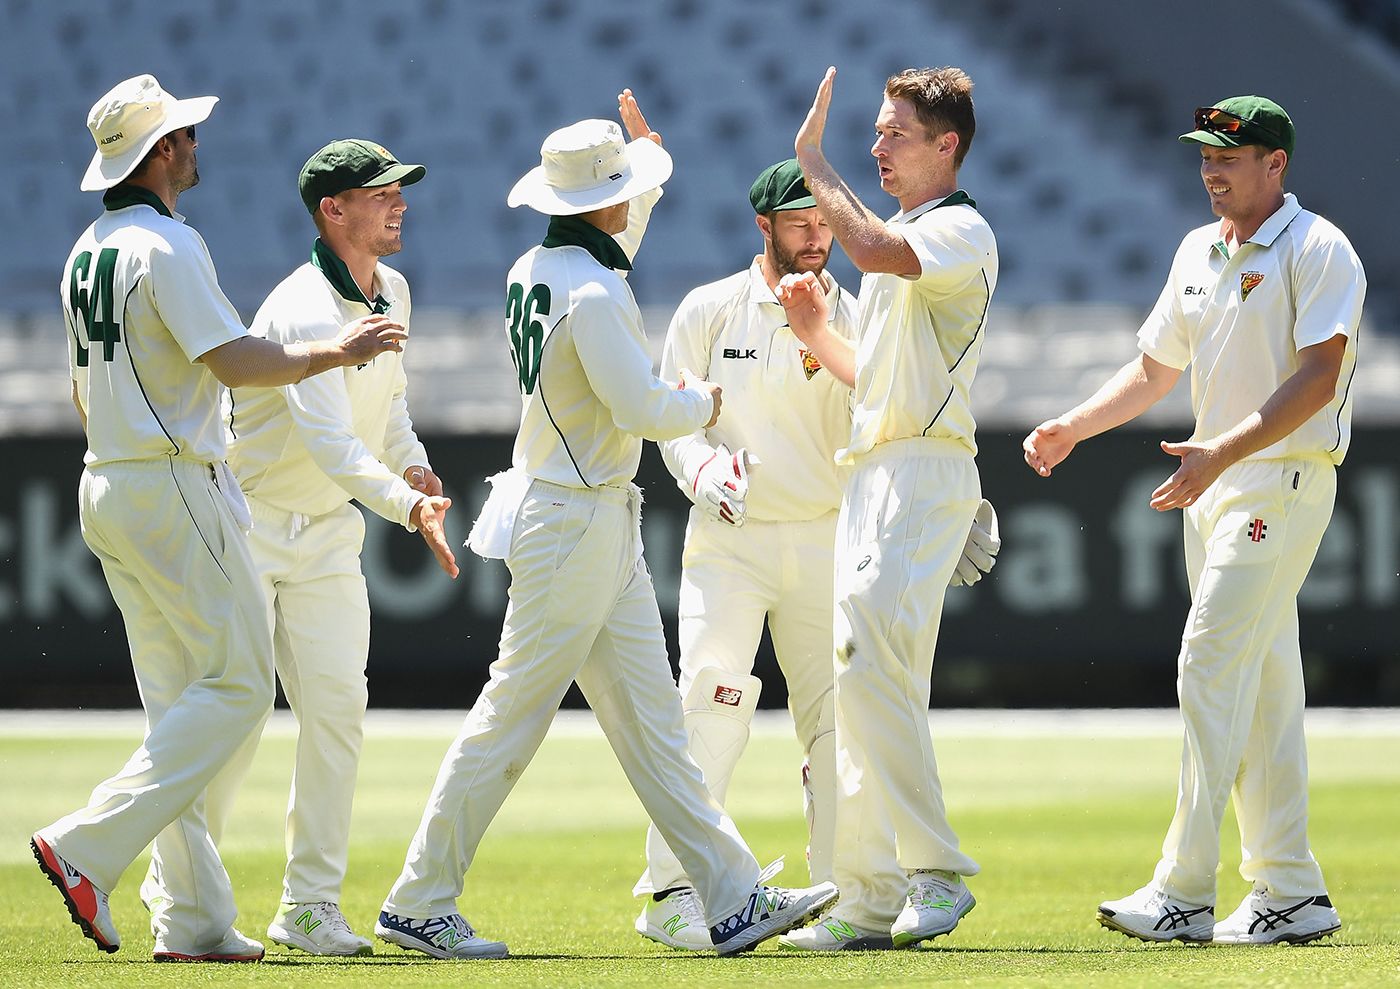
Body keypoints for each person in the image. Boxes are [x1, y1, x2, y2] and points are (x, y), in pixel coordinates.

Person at [374, 91, 837, 960]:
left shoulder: (540, 272)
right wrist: (702, 399)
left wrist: (645, 185)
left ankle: (731, 896)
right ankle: (418, 899)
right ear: (601, 201)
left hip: (580, 513)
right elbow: (645, 405)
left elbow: (606, 263)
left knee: (658, 727)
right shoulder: (593, 292)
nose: (634, 199)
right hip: (577, 517)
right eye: (626, 187)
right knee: (511, 715)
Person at [33, 74, 405, 962]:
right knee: (238, 689)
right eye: (186, 137)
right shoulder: (166, 244)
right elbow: (234, 360)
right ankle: (85, 844)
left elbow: (83, 392)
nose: (196, 148)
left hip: (108, 482)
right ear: (161, 152)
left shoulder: (88, 247)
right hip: (173, 481)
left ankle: (193, 918)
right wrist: (335, 351)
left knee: (179, 704)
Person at [631, 158, 1000, 951]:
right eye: (800, 224)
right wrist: (703, 469)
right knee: (710, 700)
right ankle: (672, 890)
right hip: (728, 540)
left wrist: (953, 497)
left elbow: (897, 407)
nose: (817, 238)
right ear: (762, 225)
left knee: (839, 720)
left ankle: (844, 893)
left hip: (830, 532)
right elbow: (671, 418)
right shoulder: (710, 308)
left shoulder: (858, 308)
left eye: (827, 223)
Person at [1024, 96, 1362, 946]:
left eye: (1230, 156)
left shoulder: (1318, 248)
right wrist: (1074, 424)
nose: (1211, 170)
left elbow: (1321, 374)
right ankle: (1291, 889)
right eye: (1205, 156)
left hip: (1277, 480)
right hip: (1213, 489)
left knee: (1208, 663)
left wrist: (1225, 449)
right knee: (1265, 691)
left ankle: (1182, 888)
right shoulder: (1196, 249)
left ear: (1275, 164)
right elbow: (1152, 367)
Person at [134, 139, 459, 957]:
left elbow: (386, 413)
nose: (400, 205)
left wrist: (411, 462)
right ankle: (181, 888)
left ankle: (308, 906)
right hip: (249, 528)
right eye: (382, 193)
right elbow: (330, 446)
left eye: (399, 192)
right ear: (333, 210)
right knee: (235, 723)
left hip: (326, 542)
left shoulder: (396, 290)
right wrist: (407, 505)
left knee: (338, 714)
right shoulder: (305, 306)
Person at [772, 66, 999, 951]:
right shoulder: (908, 232)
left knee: (869, 653)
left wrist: (811, 160)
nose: (877, 147)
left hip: (919, 472)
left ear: (946, 145)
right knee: (860, 676)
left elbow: (865, 251)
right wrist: (811, 334)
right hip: (873, 472)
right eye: (874, 132)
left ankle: (934, 871)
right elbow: (880, 380)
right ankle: (866, 898)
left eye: (894, 132)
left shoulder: (959, 228)